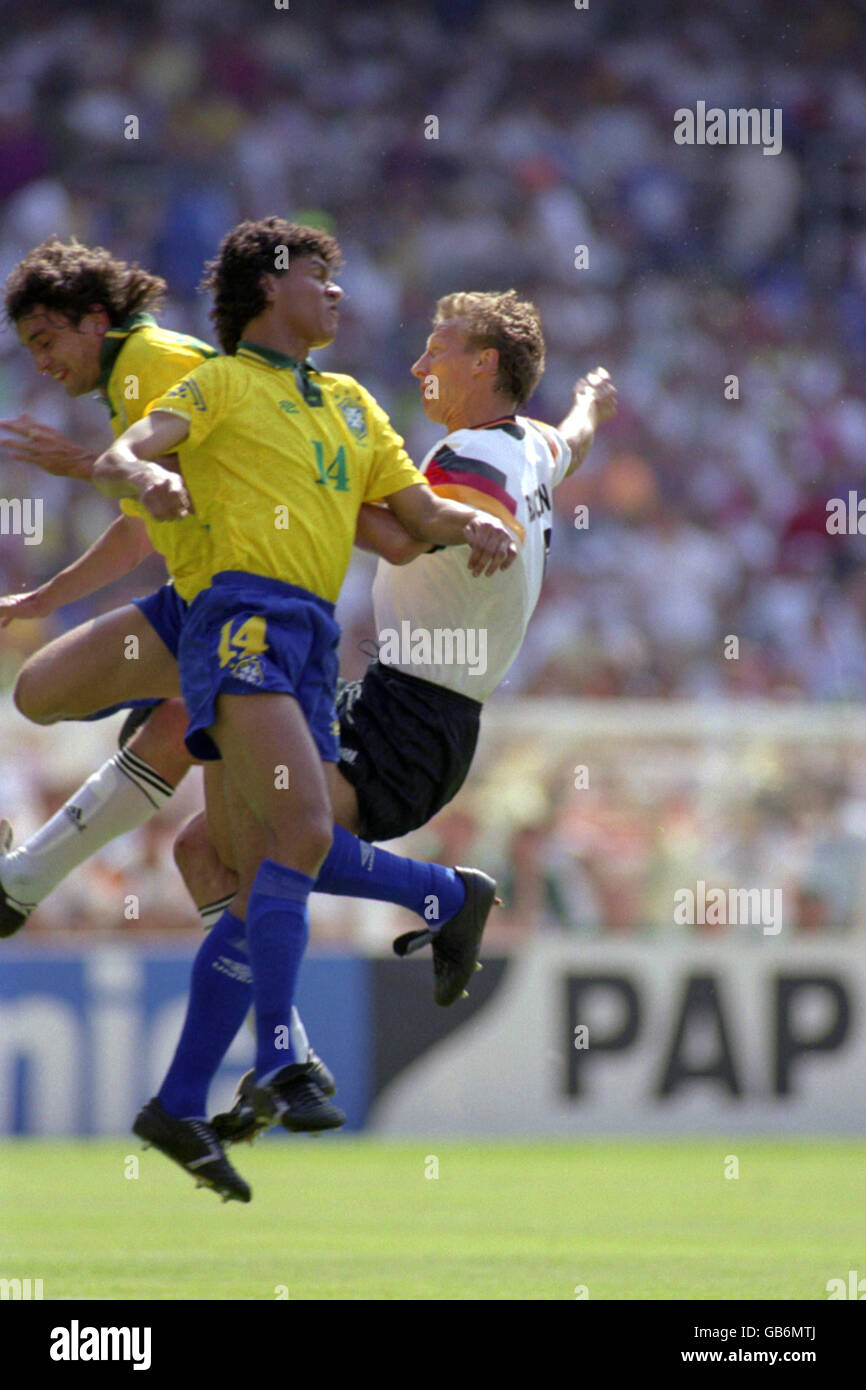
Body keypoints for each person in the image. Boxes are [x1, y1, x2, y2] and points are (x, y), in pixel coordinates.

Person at [91, 216, 519, 1202]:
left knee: (238, 866)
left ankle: (182, 1096)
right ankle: (291, 1047)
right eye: (318, 277)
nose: (335, 292)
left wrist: (475, 527)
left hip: (310, 645)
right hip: (236, 622)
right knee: (297, 830)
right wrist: (146, 471)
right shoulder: (220, 383)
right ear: (267, 287)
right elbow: (133, 449)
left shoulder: (351, 404)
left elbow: (412, 526)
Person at [190, 290, 617, 1143]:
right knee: (204, 848)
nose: (421, 365)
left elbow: (395, 528)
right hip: (401, 702)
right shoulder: (530, 443)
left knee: (281, 846)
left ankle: (442, 899)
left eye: (438, 348)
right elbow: (573, 441)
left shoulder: (467, 458)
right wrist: (589, 402)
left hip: (417, 715)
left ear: (485, 363)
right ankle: (283, 1050)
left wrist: (257, 478)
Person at [0, 238, 213, 934]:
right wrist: (44, 599)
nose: (40, 360)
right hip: (204, 599)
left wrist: (86, 465)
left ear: (96, 318)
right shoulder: (132, 377)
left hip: (247, 603)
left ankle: (23, 879)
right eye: (29, 347)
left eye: (46, 338)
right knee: (40, 691)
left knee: (244, 843)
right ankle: (23, 880)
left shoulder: (153, 364)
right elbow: (138, 528)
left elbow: (178, 486)